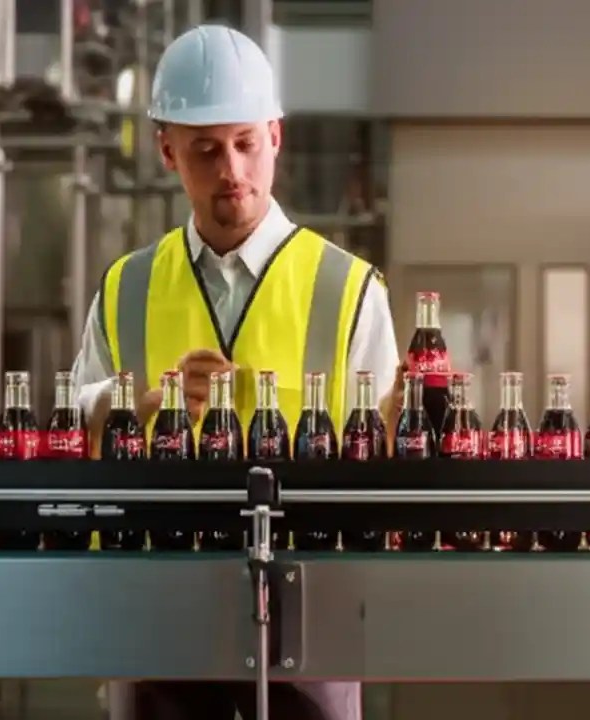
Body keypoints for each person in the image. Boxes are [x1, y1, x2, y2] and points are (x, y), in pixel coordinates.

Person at [70, 23, 404, 720]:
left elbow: (390, 457)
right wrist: (144, 397)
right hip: (155, 621)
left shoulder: (347, 290)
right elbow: (69, 427)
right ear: (167, 150)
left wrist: (416, 416)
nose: (232, 171)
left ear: (276, 137)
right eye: (207, 149)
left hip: (312, 629)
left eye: (247, 144)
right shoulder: (127, 288)